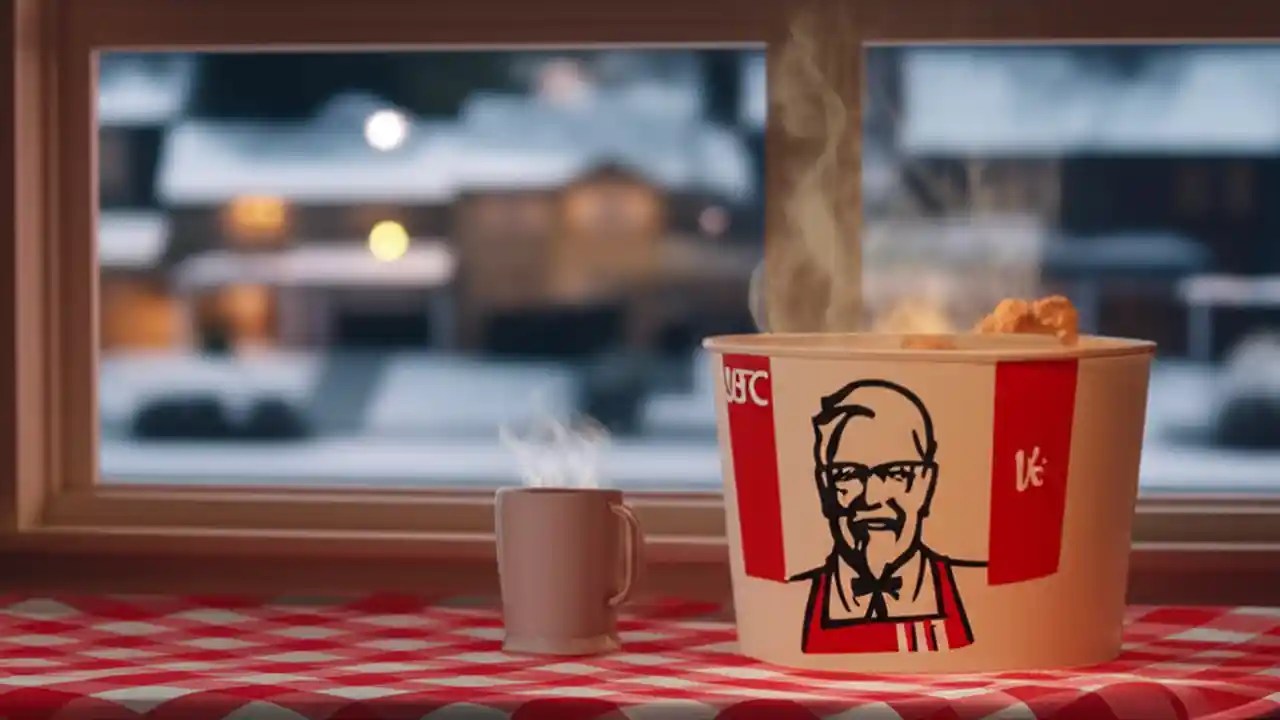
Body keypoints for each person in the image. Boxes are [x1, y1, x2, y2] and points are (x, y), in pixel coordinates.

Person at [791, 379, 976, 654]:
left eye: (896, 473)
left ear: (926, 484)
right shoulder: (786, 604)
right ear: (824, 488)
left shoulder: (977, 593)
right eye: (848, 474)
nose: (872, 498)